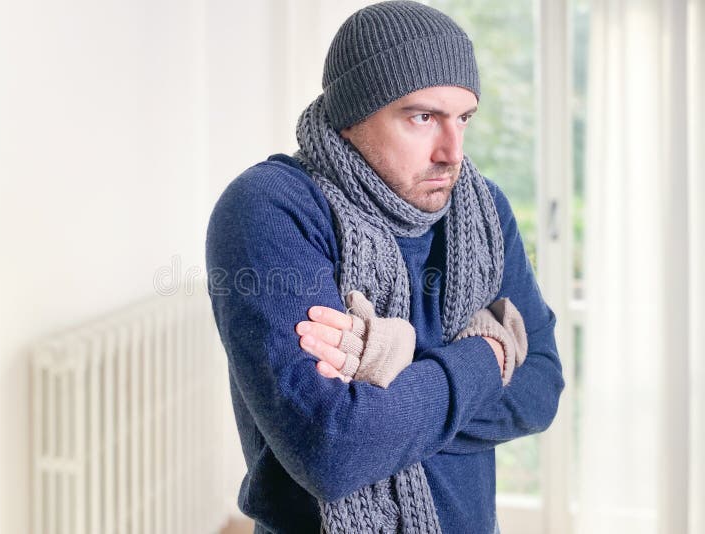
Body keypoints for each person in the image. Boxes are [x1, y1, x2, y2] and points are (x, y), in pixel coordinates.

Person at [206, 2, 564, 532]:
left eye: (464, 118)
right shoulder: (271, 208)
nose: (453, 151)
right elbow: (334, 449)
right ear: (354, 113)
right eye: (423, 118)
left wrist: (388, 377)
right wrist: (489, 354)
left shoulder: (483, 210)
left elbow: (541, 388)